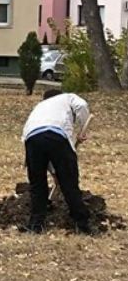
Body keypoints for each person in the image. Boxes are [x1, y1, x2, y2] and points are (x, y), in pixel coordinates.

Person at [21, 89, 92, 233]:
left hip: (31, 138)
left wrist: (54, 173)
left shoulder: (39, 108)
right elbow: (82, 105)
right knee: (69, 182)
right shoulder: (67, 97)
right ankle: (82, 224)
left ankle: (36, 225)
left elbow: (40, 153)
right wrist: (83, 128)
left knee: (37, 184)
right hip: (56, 135)